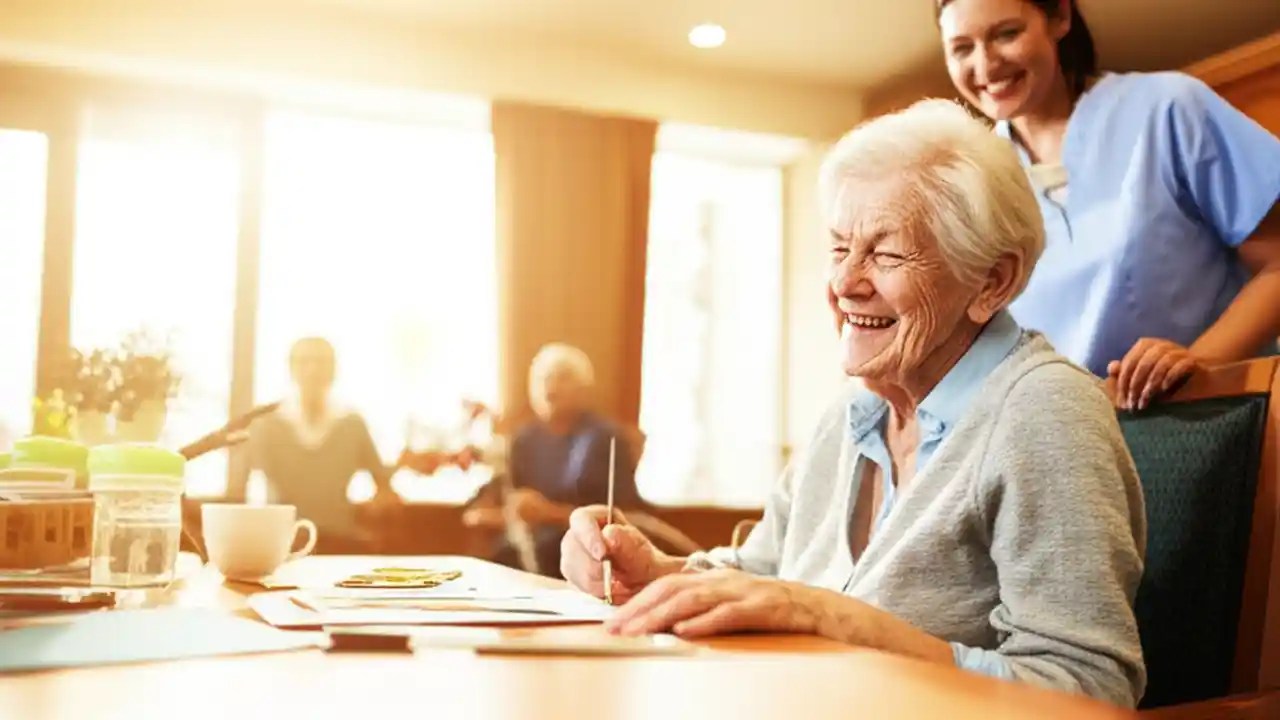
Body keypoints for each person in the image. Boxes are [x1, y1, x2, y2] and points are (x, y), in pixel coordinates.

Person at [560, 100, 1148, 707]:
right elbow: (768, 575)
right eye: (840, 249)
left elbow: (1090, 692)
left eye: (886, 254)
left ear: (992, 282)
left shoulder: (1045, 412)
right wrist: (654, 574)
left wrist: (832, 618)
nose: (845, 283)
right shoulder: (851, 413)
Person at [933, 0, 1280, 410]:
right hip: (1075, 438)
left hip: (1213, 417)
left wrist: (1200, 362)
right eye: (962, 48)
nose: (986, 65)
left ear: (1060, 17)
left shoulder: (1168, 109)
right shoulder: (973, 190)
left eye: (1006, 34)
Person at [455, 343, 641, 576]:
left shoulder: (605, 438)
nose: (550, 387)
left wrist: (549, 513)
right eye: (542, 379)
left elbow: (625, 515)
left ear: (584, 388)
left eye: (562, 378)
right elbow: (512, 503)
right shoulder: (523, 440)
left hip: (587, 547)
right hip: (527, 546)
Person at [230, 337, 403, 552]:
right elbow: (237, 490)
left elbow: (384, 488)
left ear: (334, 369)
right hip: (281, 545)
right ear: (291, 368)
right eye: (304, 361)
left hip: (340, 542)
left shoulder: (352, 425)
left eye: (321, 361)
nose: (313, 370)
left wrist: (379, 508)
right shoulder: (266, 424)